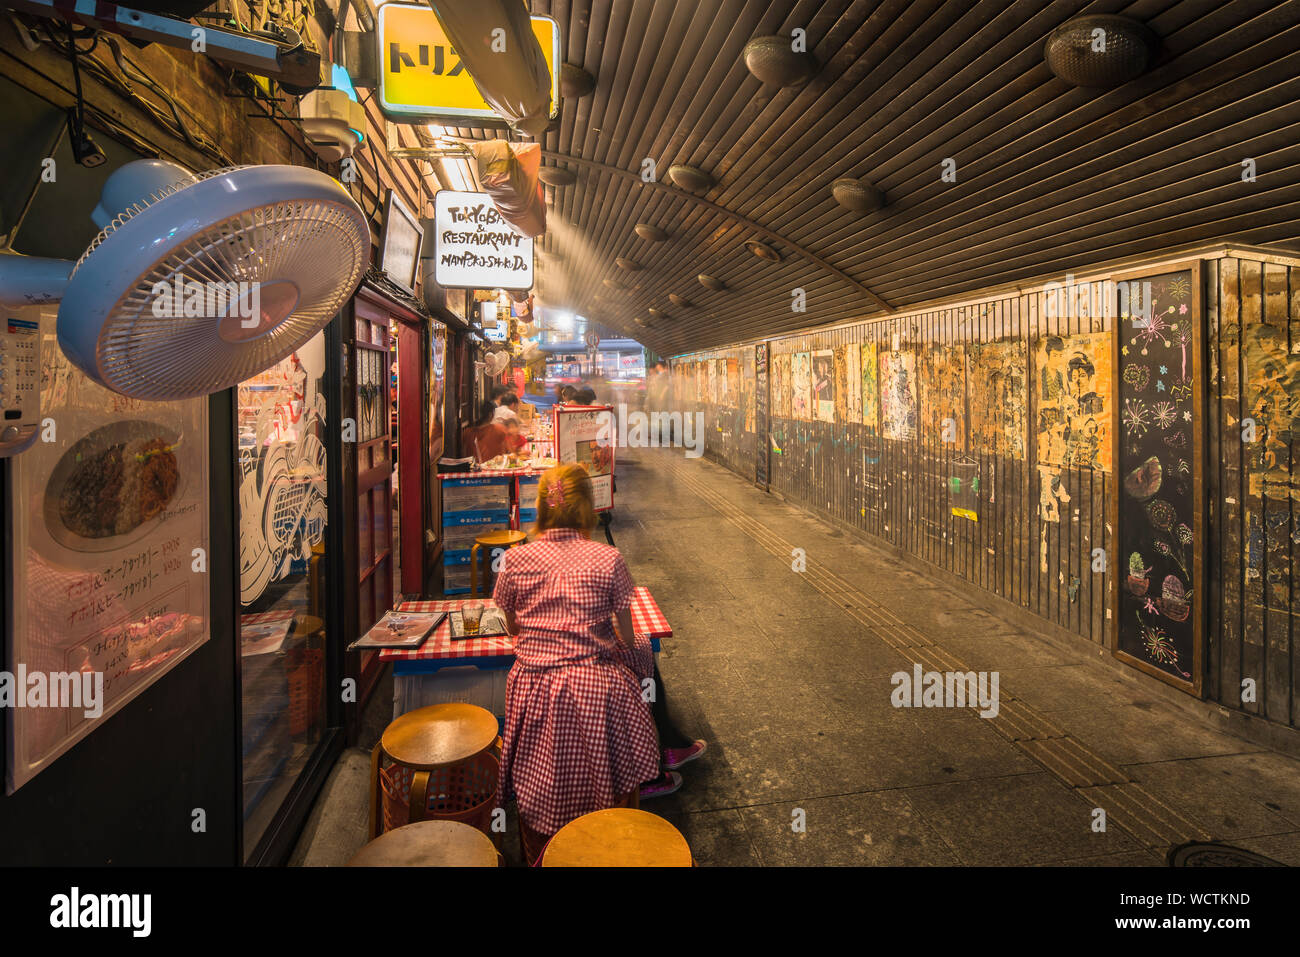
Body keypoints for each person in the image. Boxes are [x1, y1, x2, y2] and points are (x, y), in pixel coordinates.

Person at [492, 464, 701, 861]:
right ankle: (619, 828)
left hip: (534, 690)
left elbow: (513, 627)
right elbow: (625, 635)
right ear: (587, 507)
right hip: (598, 691)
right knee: (640, 661)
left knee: (544, 790)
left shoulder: (515, 560)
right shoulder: (608, 559)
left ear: (540, 507)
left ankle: (548, 854)